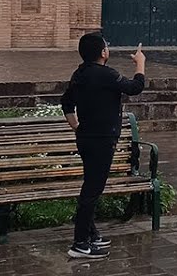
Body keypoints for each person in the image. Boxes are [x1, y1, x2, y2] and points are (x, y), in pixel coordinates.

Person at [60, 31, 146, 260]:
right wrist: (140, 63)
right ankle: (79, 244)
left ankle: (91, 235)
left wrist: (77, 127)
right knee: (91, 191)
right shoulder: (107, 75)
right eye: (106, 46)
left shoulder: (79, 74)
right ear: (102, 52)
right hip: (101, 141)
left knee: (91, 186)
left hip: (86, 138)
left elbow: (66, 102)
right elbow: (135, 87)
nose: (108, 49)